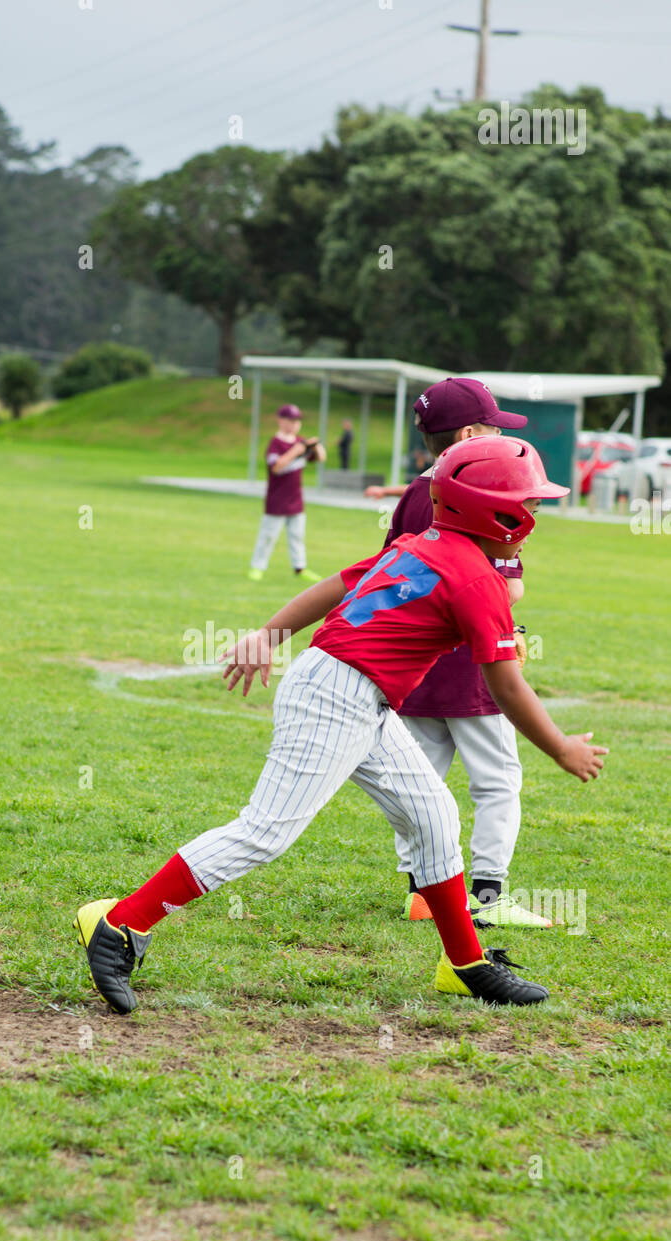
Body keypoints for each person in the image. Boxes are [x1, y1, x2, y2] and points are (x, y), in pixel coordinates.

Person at [73, 435, 606, 1016]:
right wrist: (560, 748)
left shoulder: (424, 542)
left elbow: (341, 584)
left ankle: (466, 965)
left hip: (354, 692)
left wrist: (272, 632)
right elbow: (505, 685)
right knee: (265, 832)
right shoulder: (476, 578)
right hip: (340, 694)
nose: (532, 512)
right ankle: (123, 924)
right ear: (488, 509)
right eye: (525, 501)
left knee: (434, 815)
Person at [379, 378, 552, 928]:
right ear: (471, 434)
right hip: (476, 662)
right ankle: (488, 893)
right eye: (494, 427)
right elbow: (508, 587)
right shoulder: (485, 490)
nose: (501, 436)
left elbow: (388, 570)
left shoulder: (414, 494)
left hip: (416, 665)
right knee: (498, 780)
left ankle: (421, 892)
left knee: (420, 779)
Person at [247, 404, 324, 584]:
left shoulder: (301, 442)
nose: (295, 424)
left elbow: (320, 458)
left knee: (297, 536)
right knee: (268, 535)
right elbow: (277, 466)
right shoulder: (276, 444)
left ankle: (300, 567)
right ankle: (257, 567)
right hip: (277, 500)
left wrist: (317, 445)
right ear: (280, 420)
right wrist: (297, 449)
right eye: (290, 420)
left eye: (297, 421)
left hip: (296, 499)